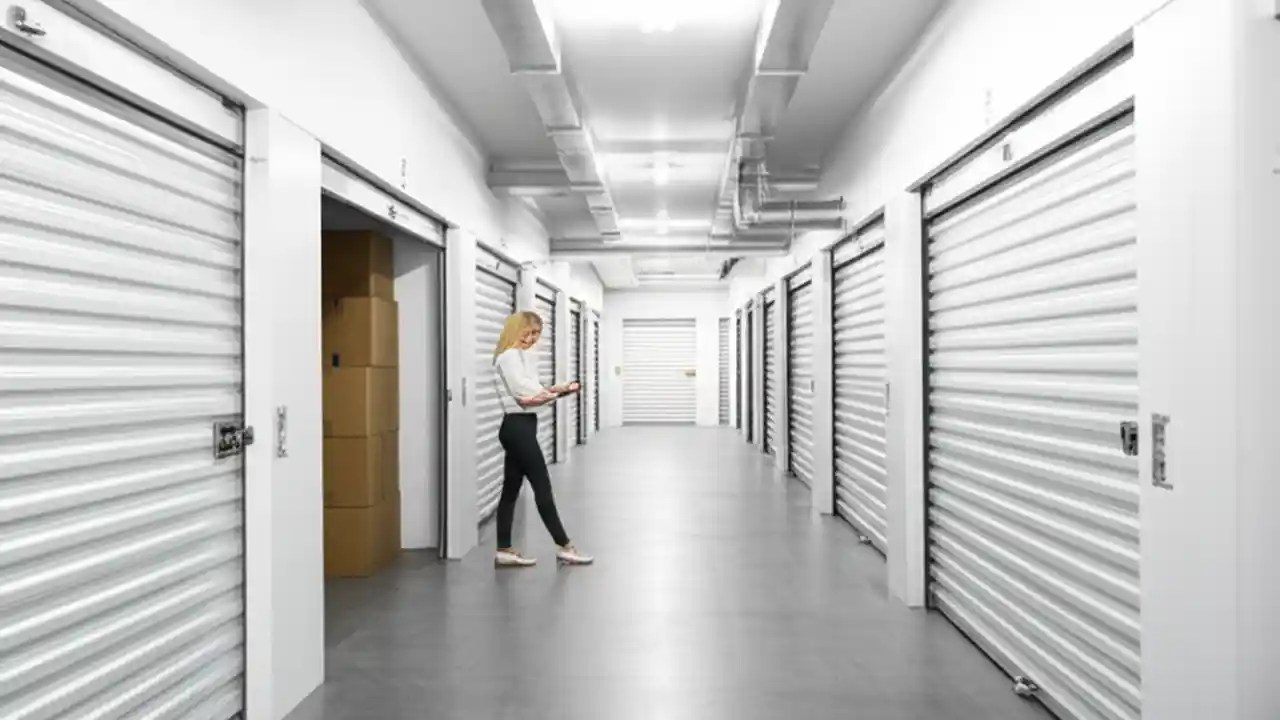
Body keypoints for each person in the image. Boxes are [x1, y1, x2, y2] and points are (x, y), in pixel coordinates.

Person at [490, 310, 593, 568]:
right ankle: (564, 546)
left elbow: (531, 392)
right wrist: (556, 394)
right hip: (518, 429)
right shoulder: (510, 357)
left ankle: (504, 550)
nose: (532, 338)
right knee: (542, 487)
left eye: (537, 333)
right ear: (515, 329)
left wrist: (554, 390)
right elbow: (524, 397)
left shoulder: (516, 357)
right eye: (528, 331)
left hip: (520, 427)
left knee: (510, 491)